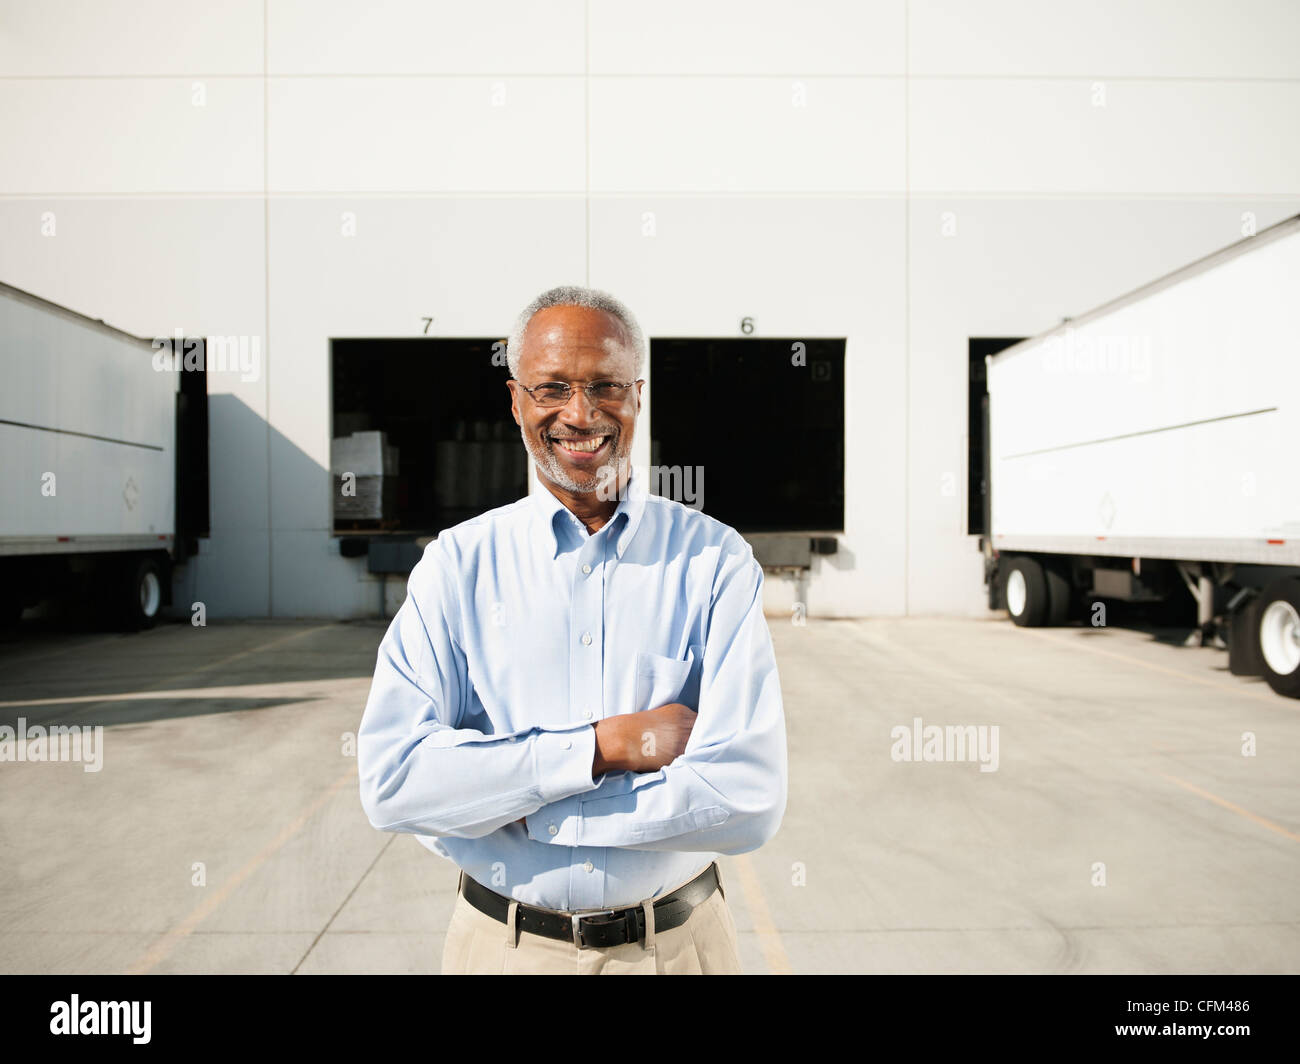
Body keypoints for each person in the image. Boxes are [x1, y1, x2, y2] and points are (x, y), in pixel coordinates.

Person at [357, 285, 787, 974]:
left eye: (605, 386)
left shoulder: (715, 564)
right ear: (516, 400)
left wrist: (515, 803)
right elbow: (395, 781)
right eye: (552, 387)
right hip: (503, 952)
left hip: (674, 951)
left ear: (637, 395)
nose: (579, 414)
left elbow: (747, 798)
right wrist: (602, 747)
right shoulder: (456, 568)